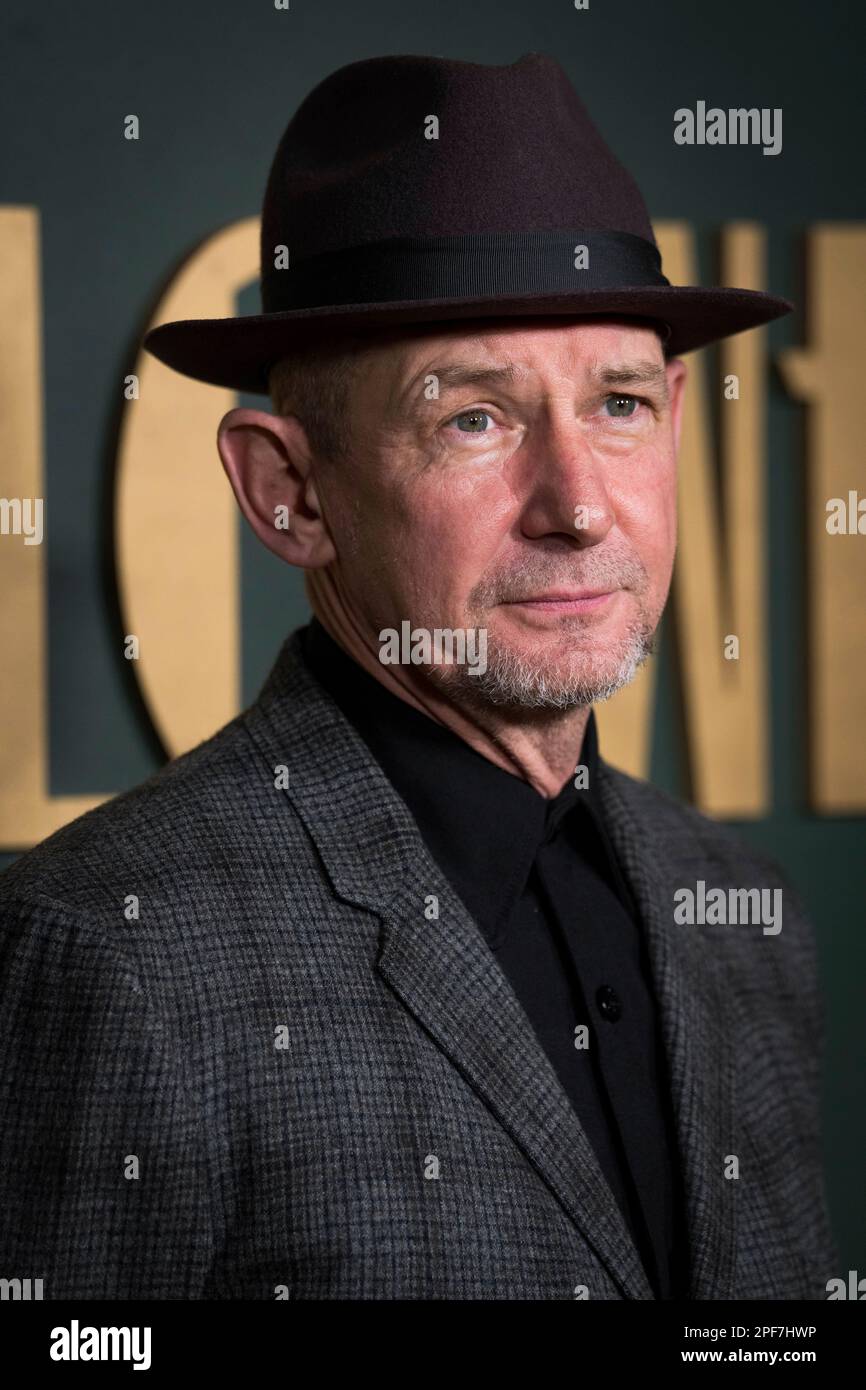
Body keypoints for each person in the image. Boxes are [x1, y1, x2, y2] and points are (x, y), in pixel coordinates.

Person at [0, 51, 837, 1300]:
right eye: (473, 418)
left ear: (672, 410)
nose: (576, 507)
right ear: (289, 493)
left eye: (616, 404)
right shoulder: (113, 956)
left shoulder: (741, 919)